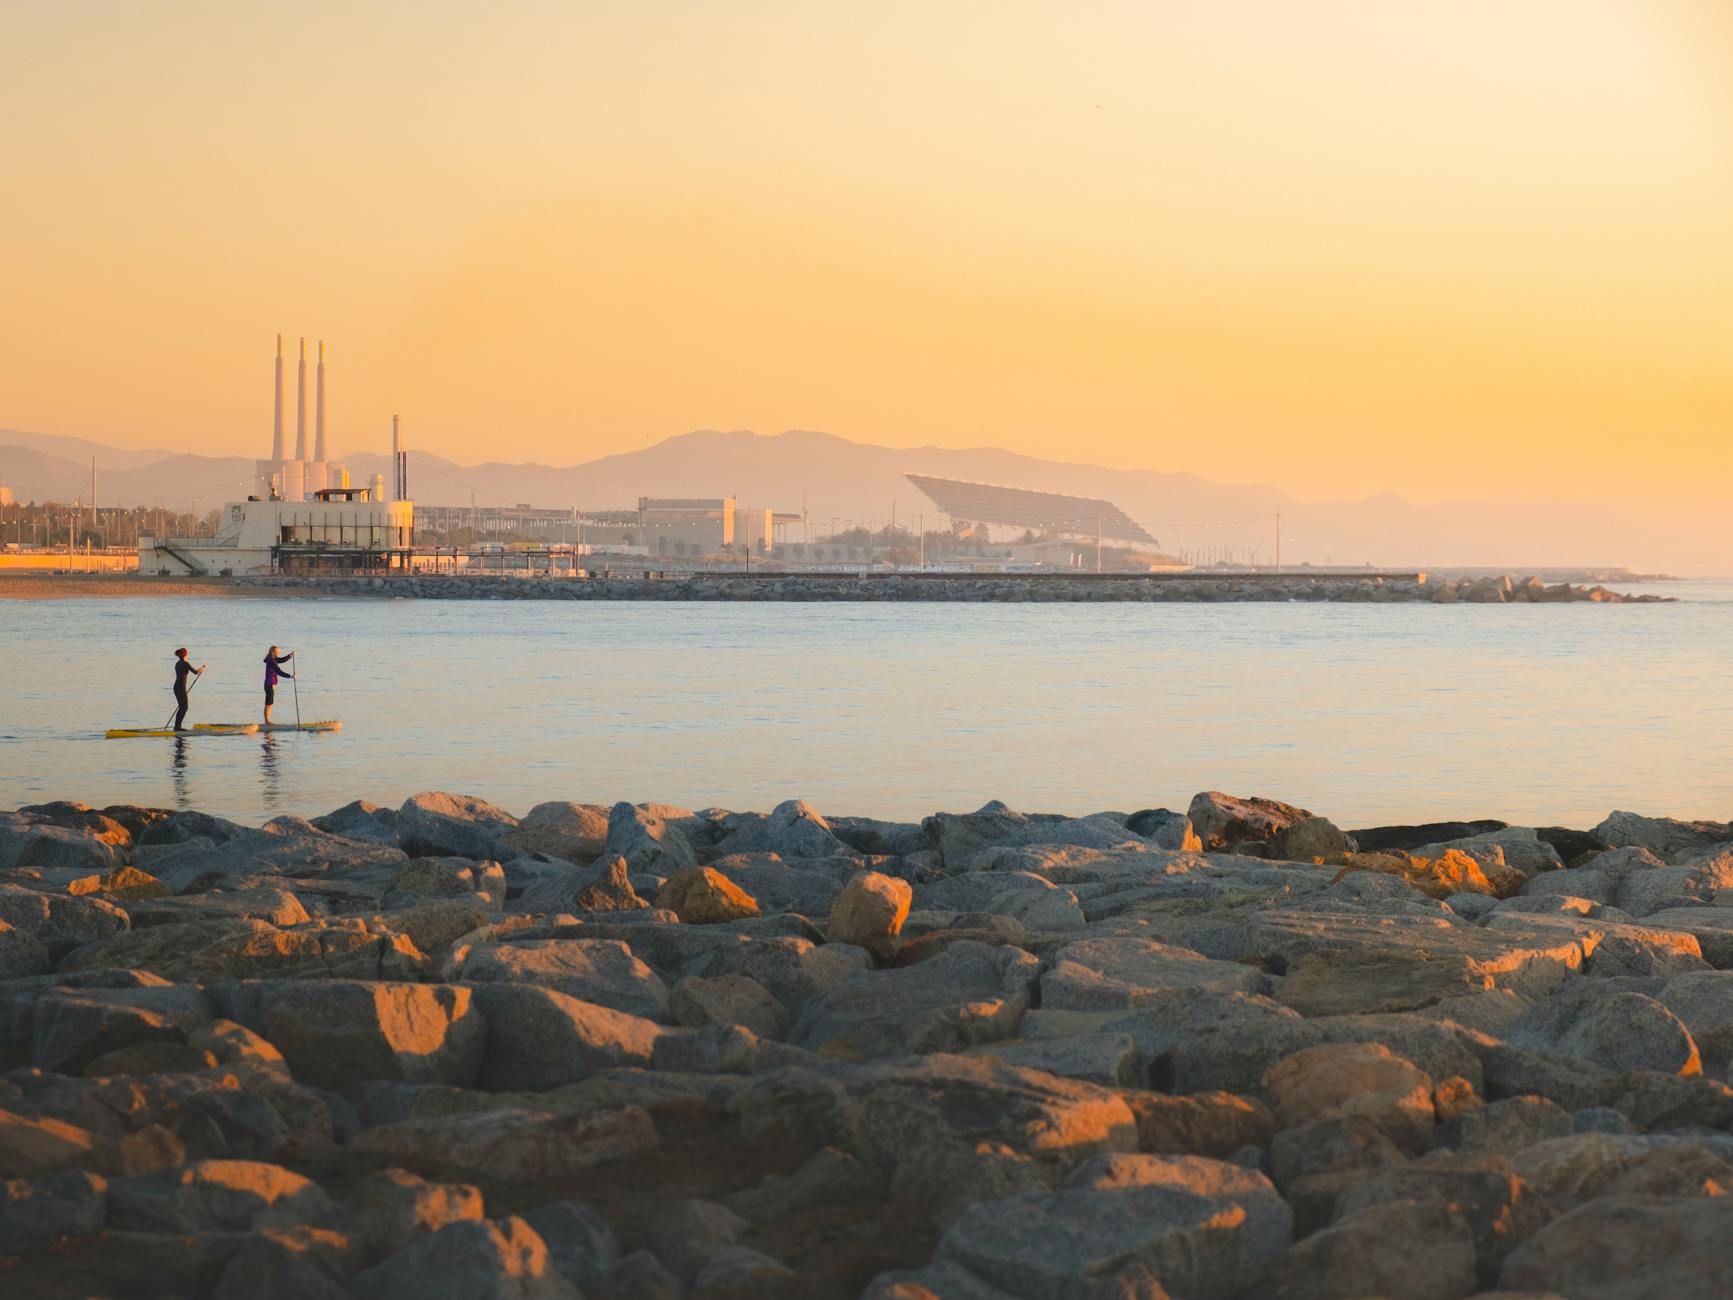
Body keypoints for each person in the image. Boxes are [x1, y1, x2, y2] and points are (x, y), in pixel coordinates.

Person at [171, 647, 204, 731]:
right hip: (181, 687)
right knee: (184, 707)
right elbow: (196, 672)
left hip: (176, 687)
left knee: (182, 707)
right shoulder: (185, 663)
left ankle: (177, 726)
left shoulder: (177, 663)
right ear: (185, 654)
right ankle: (177, 727)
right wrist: (202, 668)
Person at [262, 646, 294, 724]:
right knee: (268, 703)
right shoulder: (271, 661)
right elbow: (279, 671)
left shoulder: (273, 659)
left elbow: (281, 660)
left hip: (271, 684)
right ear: (273, 652)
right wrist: (290, 676)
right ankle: (267, 721)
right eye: (277, 651)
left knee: (270, 703)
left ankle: (267, 720)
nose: (279, 653)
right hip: (269, 684)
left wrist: (289, 656)